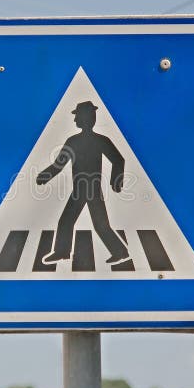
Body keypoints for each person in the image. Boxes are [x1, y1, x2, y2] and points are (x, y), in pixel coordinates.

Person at [36, 101, 130, 265]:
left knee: (99, 224)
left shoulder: (99, 140)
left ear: (86, 118)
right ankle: (62, 252)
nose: (74, 120)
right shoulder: (73, 141)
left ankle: (120, 252)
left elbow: (118, 159)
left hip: (91, 189)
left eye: (77, 116)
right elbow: (59, 164)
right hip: (80, 189)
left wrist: (116, 179)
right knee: (70, 221)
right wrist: (44, 176)